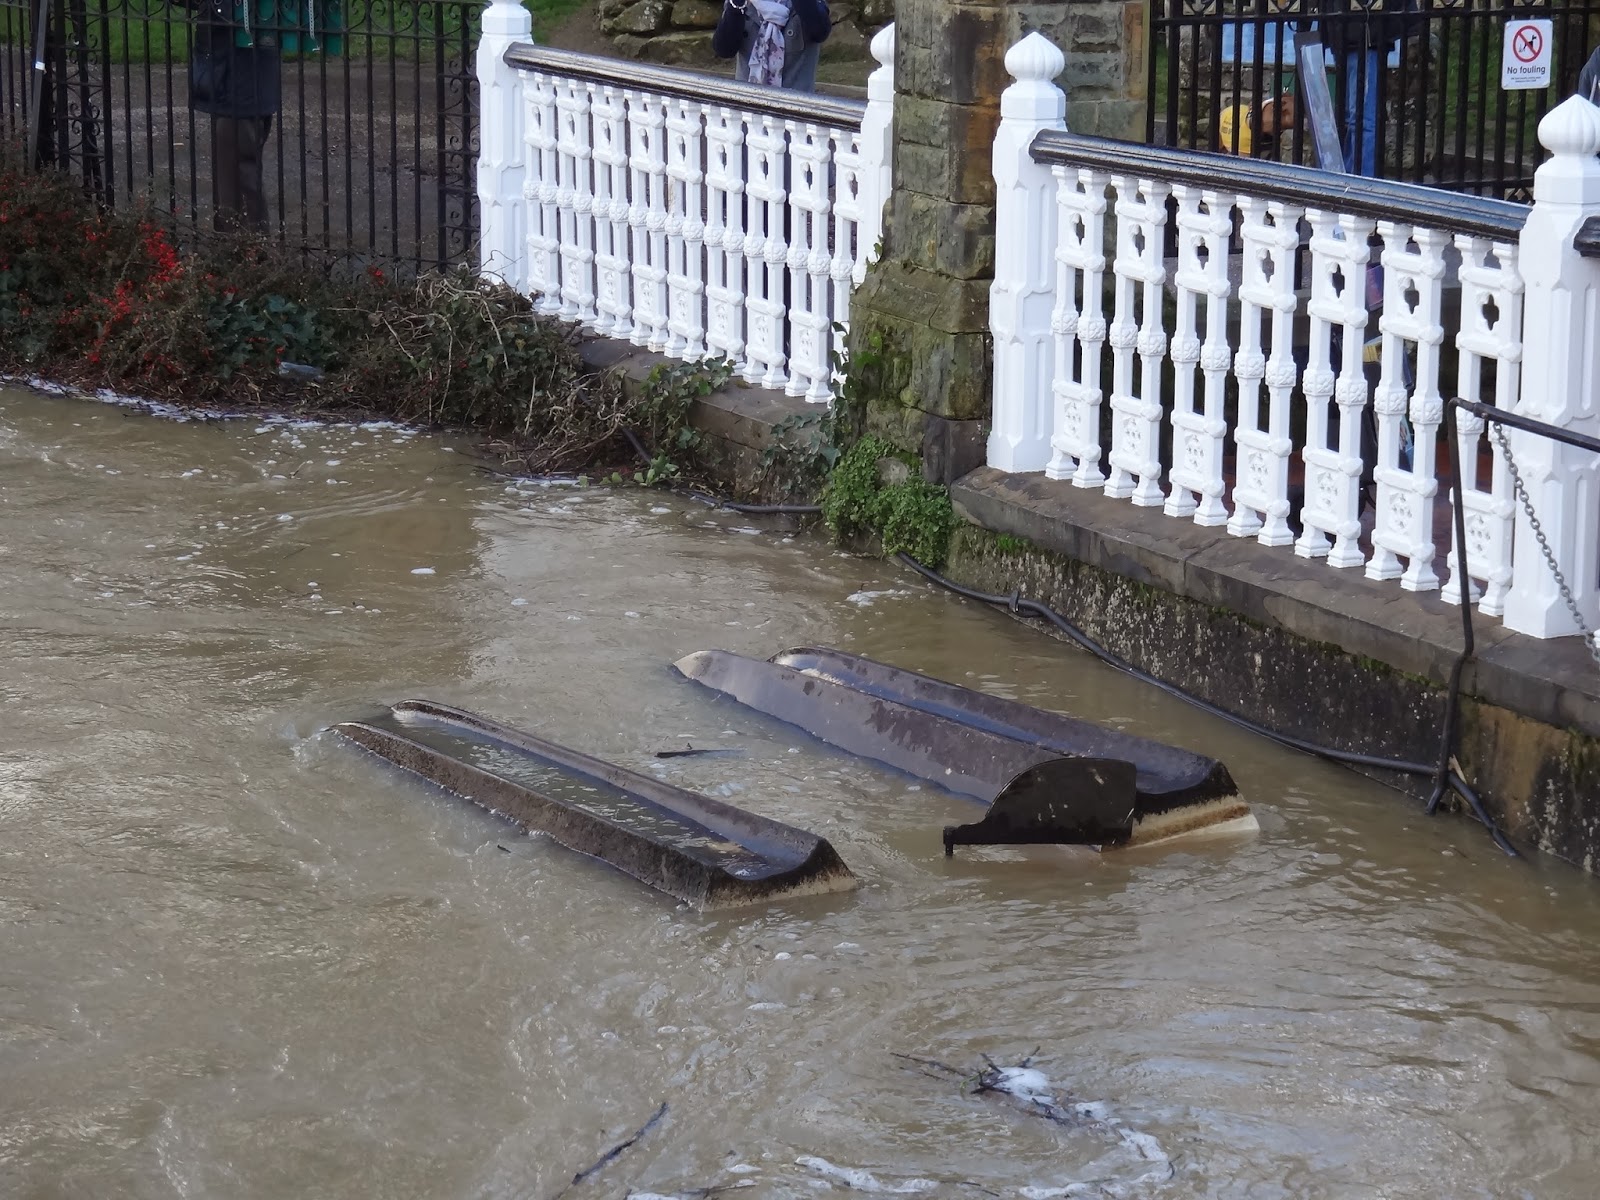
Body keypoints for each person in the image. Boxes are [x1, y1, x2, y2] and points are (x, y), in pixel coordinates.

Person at [183, 0, 283, 232]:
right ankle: (241, 250)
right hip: (228, 66)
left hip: (242, 70)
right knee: (234, 168)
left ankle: (245, 253)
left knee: (238, 171)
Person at [712, 0, 832, 92]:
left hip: (795, 111)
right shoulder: (744, 4)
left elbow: (820, 32)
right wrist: (735, 8)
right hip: (748, 108)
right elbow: (724, 50)